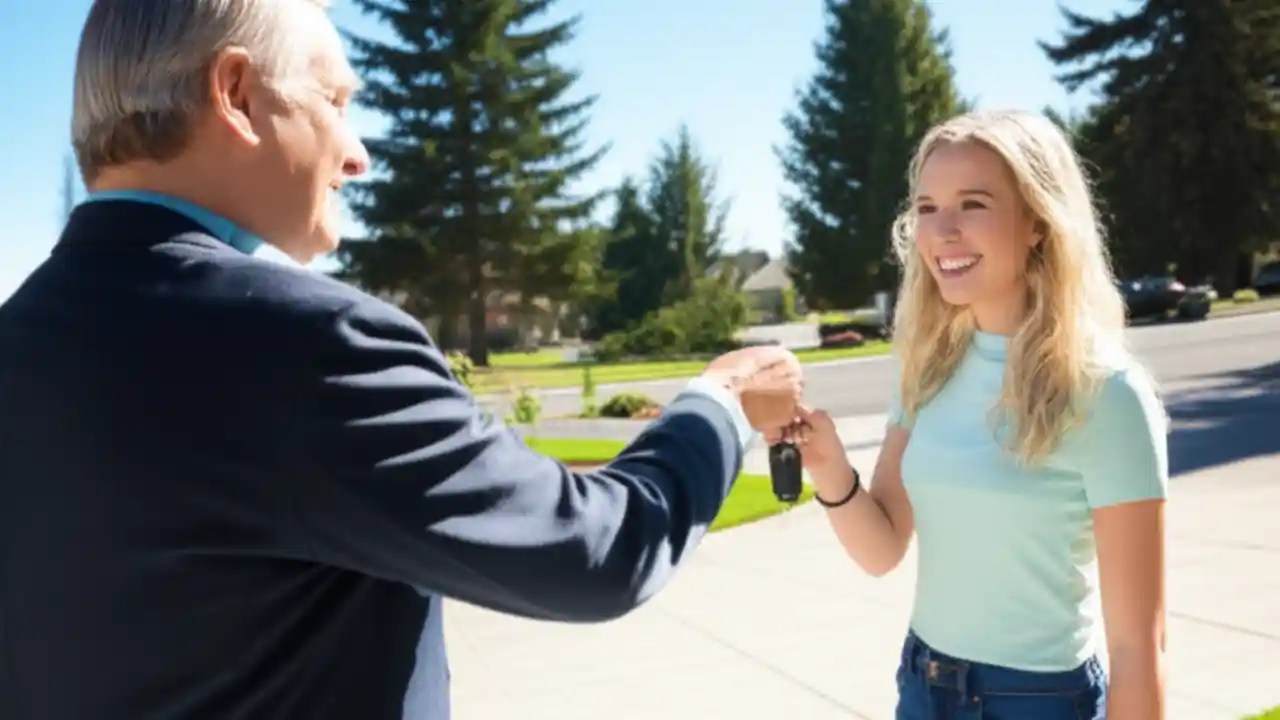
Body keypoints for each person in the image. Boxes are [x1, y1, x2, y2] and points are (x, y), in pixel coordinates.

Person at [0, 1, 804, 718]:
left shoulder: (21, 343)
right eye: (336, 103)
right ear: (237, 94)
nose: (357, 156)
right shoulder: (309, 345)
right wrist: (722, 403)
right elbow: (597, 553)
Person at [777, 110, 1167, 719]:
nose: (943, 232)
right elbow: (881, 550)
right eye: (928, 208)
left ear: (1038, 221)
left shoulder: (1107, 392)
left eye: (974, 204)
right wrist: (828, 466)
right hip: (923, 684)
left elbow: (1139, 647)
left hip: (1037, 701)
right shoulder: (929, 370)